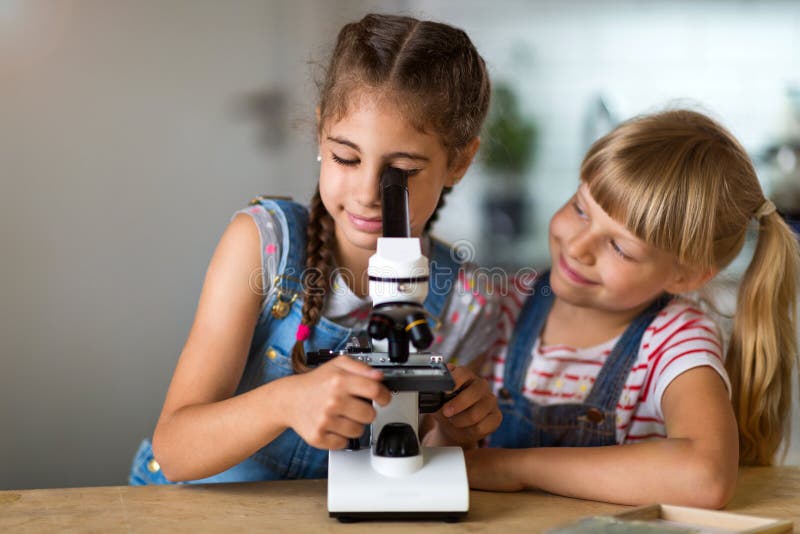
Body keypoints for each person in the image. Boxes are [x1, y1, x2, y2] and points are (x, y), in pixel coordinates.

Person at [129, 13, 501, 485]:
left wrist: (453, 427)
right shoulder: (262, 244)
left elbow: (419, 469)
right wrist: (287, 401)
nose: (368, 192)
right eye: (347, 157)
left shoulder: (468, 299)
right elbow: (176, 449)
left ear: (460, 162)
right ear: (321, 133)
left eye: (401, 171)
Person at [467, 109, 800, 508]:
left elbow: (706, 477)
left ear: (685, 276)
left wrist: (515, 468)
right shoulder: (504, 304)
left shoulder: (675, 340)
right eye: (580, 208)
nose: (577, 247)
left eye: (620, 247)